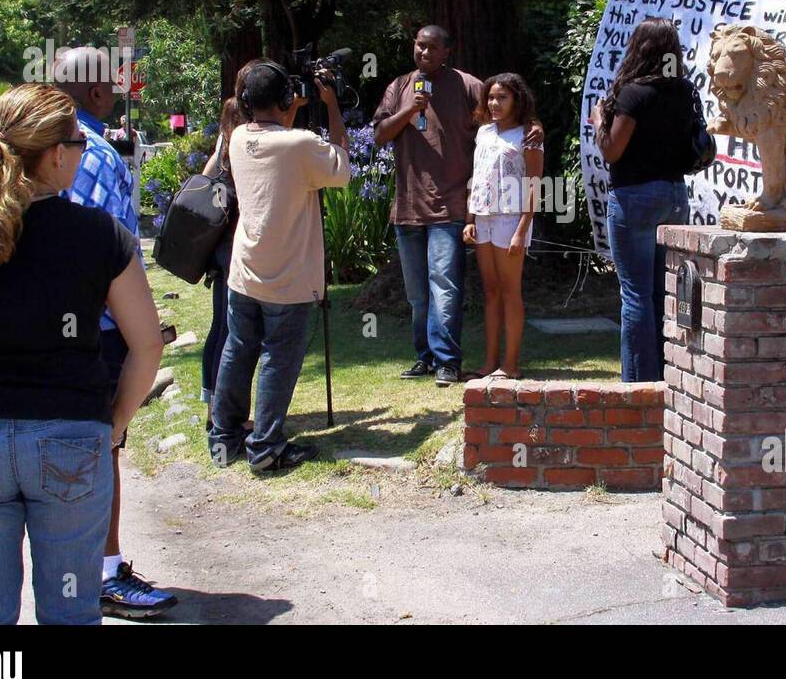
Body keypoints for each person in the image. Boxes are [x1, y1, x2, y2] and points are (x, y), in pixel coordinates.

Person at [0, 85, 164, 624]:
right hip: (72, 438)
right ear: (55, 154)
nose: (82, 153)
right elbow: (147, 344)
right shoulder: (101, 235)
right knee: (70, 610)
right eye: (78, 144)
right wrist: (113, 423)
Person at [52, 46, 178, 618]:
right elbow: (102, 257)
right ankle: (104, 572)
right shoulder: (93, 151)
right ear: (98, 95)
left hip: (37, 332)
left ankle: (71, 576)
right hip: (91, 336)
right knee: (104, 449)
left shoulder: (24, 148)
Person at [372, 26, 541, 387]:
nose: (425, 52)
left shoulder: (467, 85)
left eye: (433, 47)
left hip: (452, 205)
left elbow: (507, 107)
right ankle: (425, 357)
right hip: (408, 205)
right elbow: (379, 133)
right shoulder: (399, 87)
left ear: (447, 51)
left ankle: (448, 360)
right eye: (420, 45)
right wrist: (408, 110)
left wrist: (535, 126)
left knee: (445, 286)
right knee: (417, 293)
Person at [208, 60, 350, 473]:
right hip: (288, 279)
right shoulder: (301, 144)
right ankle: (266, 447)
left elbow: (277, 133)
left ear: (246, 101)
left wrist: (293, 106)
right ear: (287, 100)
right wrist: (332, 106)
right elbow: (342, 169)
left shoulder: (236, 140)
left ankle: (224, 436)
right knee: (278, 357)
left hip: (244, 271)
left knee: (237, 350)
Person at [590, 17, 696, 382]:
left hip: (635, 196)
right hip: (674, 195)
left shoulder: (633, 92)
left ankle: (637, 384)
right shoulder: (684, 91)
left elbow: (612, 150)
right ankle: (666, 376)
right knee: (660, 292)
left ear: (638, 48)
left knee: (634, 295)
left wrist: (598, 119)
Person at [463, 74, 543, 378]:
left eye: (502, 97)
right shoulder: (483, 132)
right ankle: (489, 363)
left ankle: (510, 366)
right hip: (482, 217)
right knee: (491, 291)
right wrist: (470, 219)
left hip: (511, 219)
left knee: (511, 291)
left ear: (517, 100)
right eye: (491, 97)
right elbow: (477, 175)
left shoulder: (529, 135)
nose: (494, 103)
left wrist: (523, 228)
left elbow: (535, 185)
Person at [200, 92, 247, 420]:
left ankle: (212, 401)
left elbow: (203, 181)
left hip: (218, 248)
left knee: (219, 325)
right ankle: (223, 410)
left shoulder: (222, 147)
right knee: (231, 328)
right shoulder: (240, 150)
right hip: (233, 246)